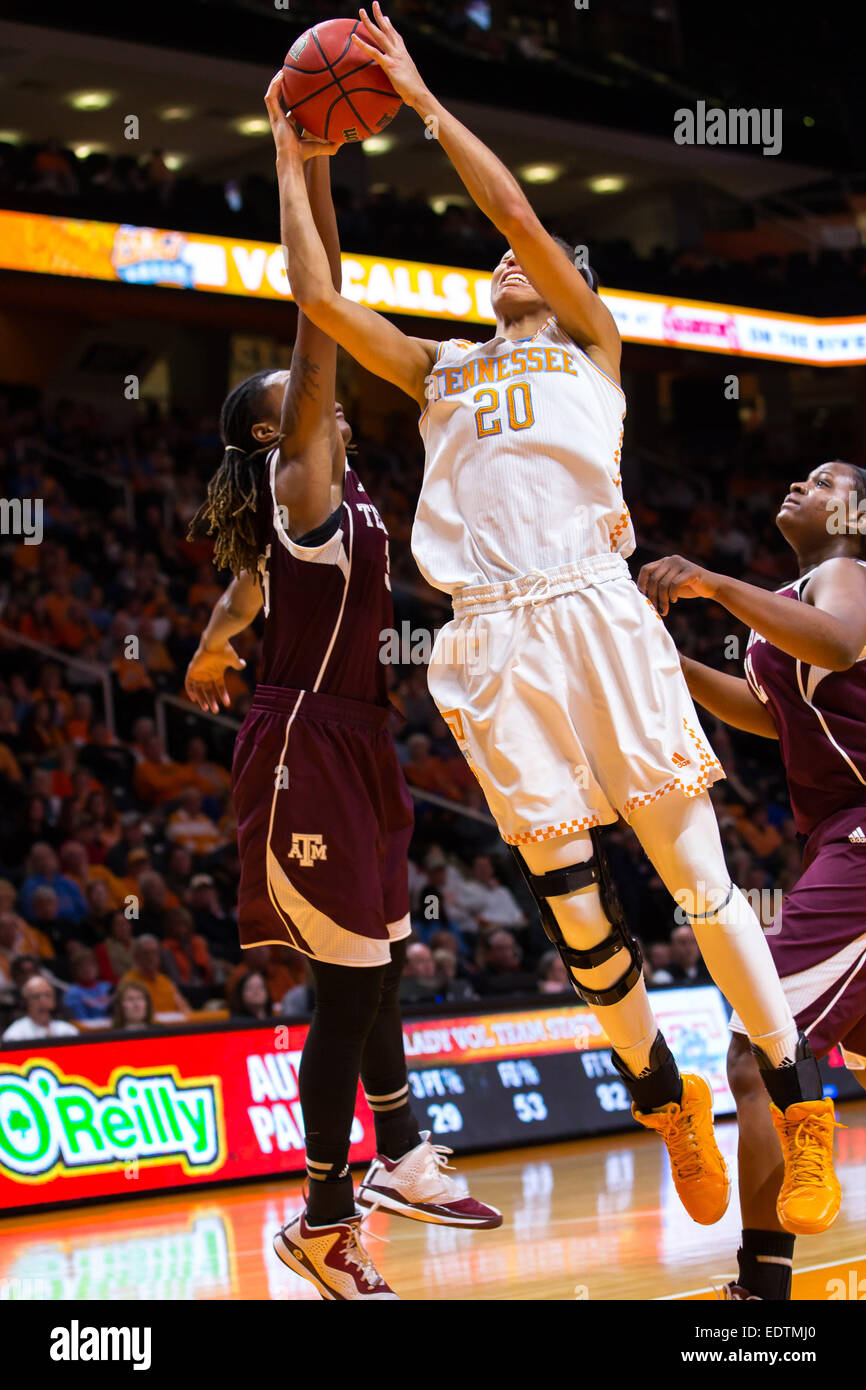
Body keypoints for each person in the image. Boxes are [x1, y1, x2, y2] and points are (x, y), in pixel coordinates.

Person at [267, 2, 835, 1233]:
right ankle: (657, 1088)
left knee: (696, 882)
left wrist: (416, 99)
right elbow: (314, 292)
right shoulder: (439, 369)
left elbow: (517, 215)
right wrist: (292, 148)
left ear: (579, 285)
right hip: (487, 635)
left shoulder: (588, 343)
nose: (514, 258)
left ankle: (797, 1105)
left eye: (542, 255)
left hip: (591, 605)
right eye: (503, 261)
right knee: (574, 903)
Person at [184, 128, 499, 1302]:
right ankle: (332, 1208)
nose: (311, 386)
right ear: (273, 431)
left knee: (379, 967)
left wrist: (215, 638)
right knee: (348, 986)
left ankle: (397, 1154)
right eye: (294, 393)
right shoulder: (299, 472)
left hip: (354, 743)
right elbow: (314, 308)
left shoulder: (332, 491)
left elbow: (249, 583)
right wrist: (291, 158)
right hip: (305, 746)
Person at [639, 458, 866, 1299]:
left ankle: (760, 1296)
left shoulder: (845, 576)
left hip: (860, 841)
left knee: (756, 1045)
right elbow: (768, 714)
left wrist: (705, 581)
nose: (801, 486)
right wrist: (665, 664)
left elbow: (840, 644)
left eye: (826, 481)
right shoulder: (797, 601)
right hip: (838, 840)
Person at [118, 935, 190, 1018]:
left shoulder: (166, 982)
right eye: (146, 953)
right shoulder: (128, 982)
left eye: (154, 952)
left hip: (172, 1028)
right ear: (136, 957)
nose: (150, 957)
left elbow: (185, 1010)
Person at [2, 975, 78, 1042]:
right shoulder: (14, 1035)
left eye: (47, 995)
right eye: (36, 996)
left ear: (54, 1001)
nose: (43, 1001)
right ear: (26, 1002)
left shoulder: (68, 1031)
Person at [63, 950, 113, 1021]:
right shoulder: (72, 993)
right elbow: (79, 1020)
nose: (87, 969)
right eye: (82, 966)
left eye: (90, 964)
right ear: (75, 970)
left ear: (97, 967)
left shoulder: (107, 987)